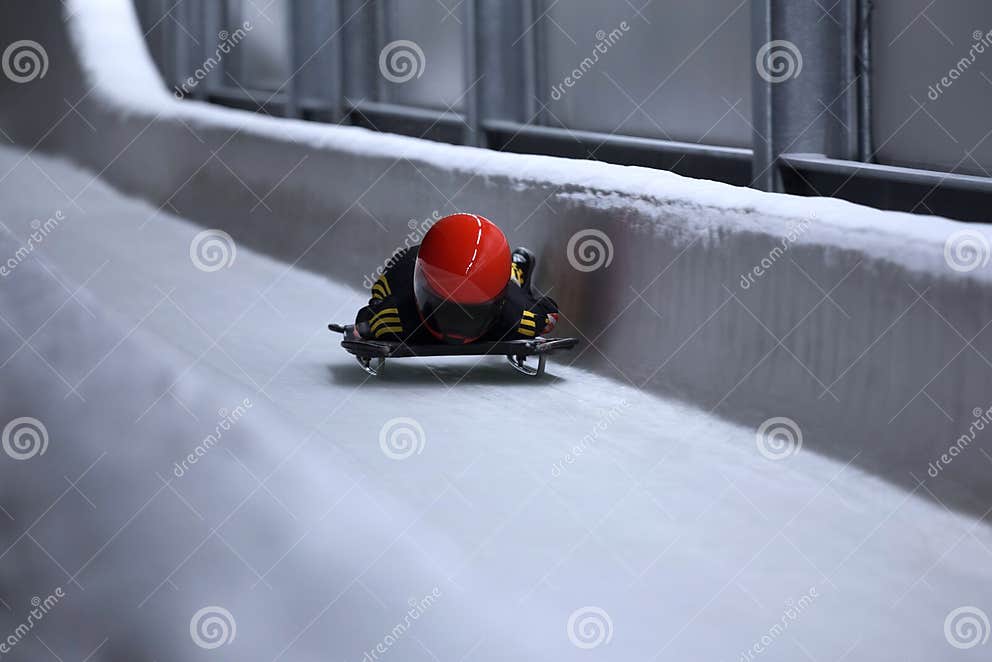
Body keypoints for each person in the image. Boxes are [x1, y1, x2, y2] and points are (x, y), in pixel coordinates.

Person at [354, 213, 559, 344]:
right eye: (446, 310)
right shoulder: (397, 316)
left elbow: (548, 312)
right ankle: (512, 271)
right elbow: (366, 319)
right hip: (406, 266)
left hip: (493, 284)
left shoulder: (513, 316)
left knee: (513, 284)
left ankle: (513, 270)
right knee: (384, 287)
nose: (457, 325)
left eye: (471, 314)